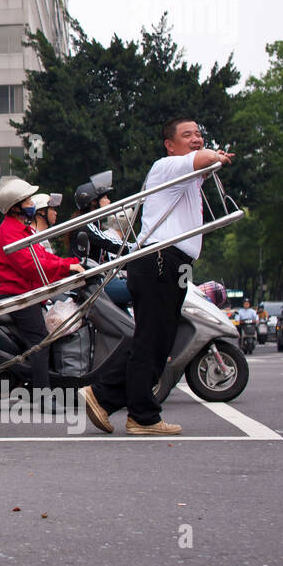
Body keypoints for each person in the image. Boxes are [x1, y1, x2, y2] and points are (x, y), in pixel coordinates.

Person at [82, 118, 233, 436]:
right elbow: (204, 160)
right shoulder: (168, 166)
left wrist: (212, 160)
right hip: (160, 260)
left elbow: (203, 167)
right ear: (170, 144)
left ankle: (105, 397)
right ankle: (140, 415)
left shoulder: (186, 177)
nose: (196, 139)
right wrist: (214, 155)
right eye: (187, 135)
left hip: (171, 263)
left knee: (157, 338)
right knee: (152, 339)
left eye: (198, 134)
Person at [0, 178, 84, 405]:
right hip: (19, 297)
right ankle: (43, 397)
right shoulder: (10, 232)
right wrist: (66, 267)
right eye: (29, 200)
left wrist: (73, 263)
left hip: (29, 293)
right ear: (15, 206)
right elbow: (31, 266)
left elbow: (44, 257)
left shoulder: (22, 229)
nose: (32, 203)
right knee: (40, 341)